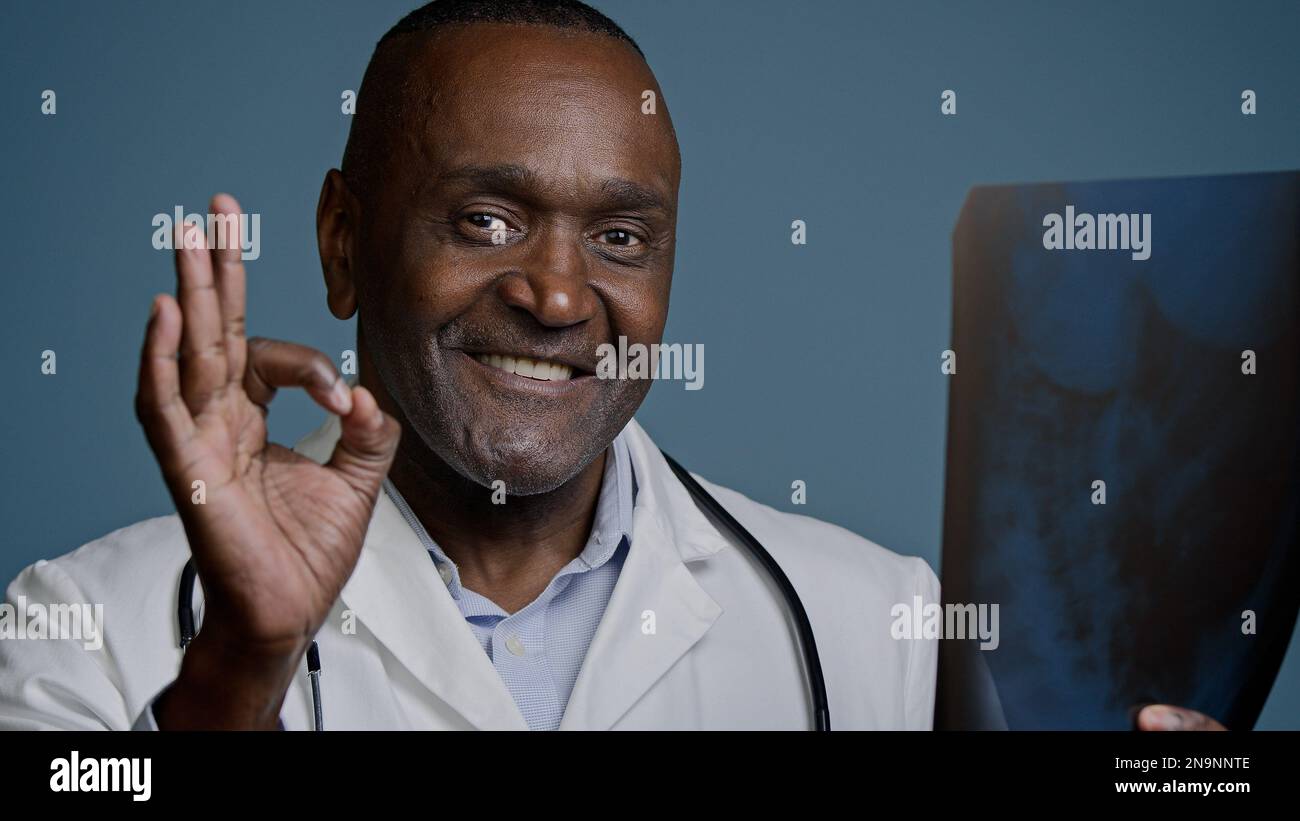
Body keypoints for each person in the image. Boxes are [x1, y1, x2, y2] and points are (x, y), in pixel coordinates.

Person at [0, 0, 1221, 731]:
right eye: (486, 218)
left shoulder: (878, 634)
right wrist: (234, 673)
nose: (559, 295)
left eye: (621, 237)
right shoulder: (80, 623)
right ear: (343, 242)